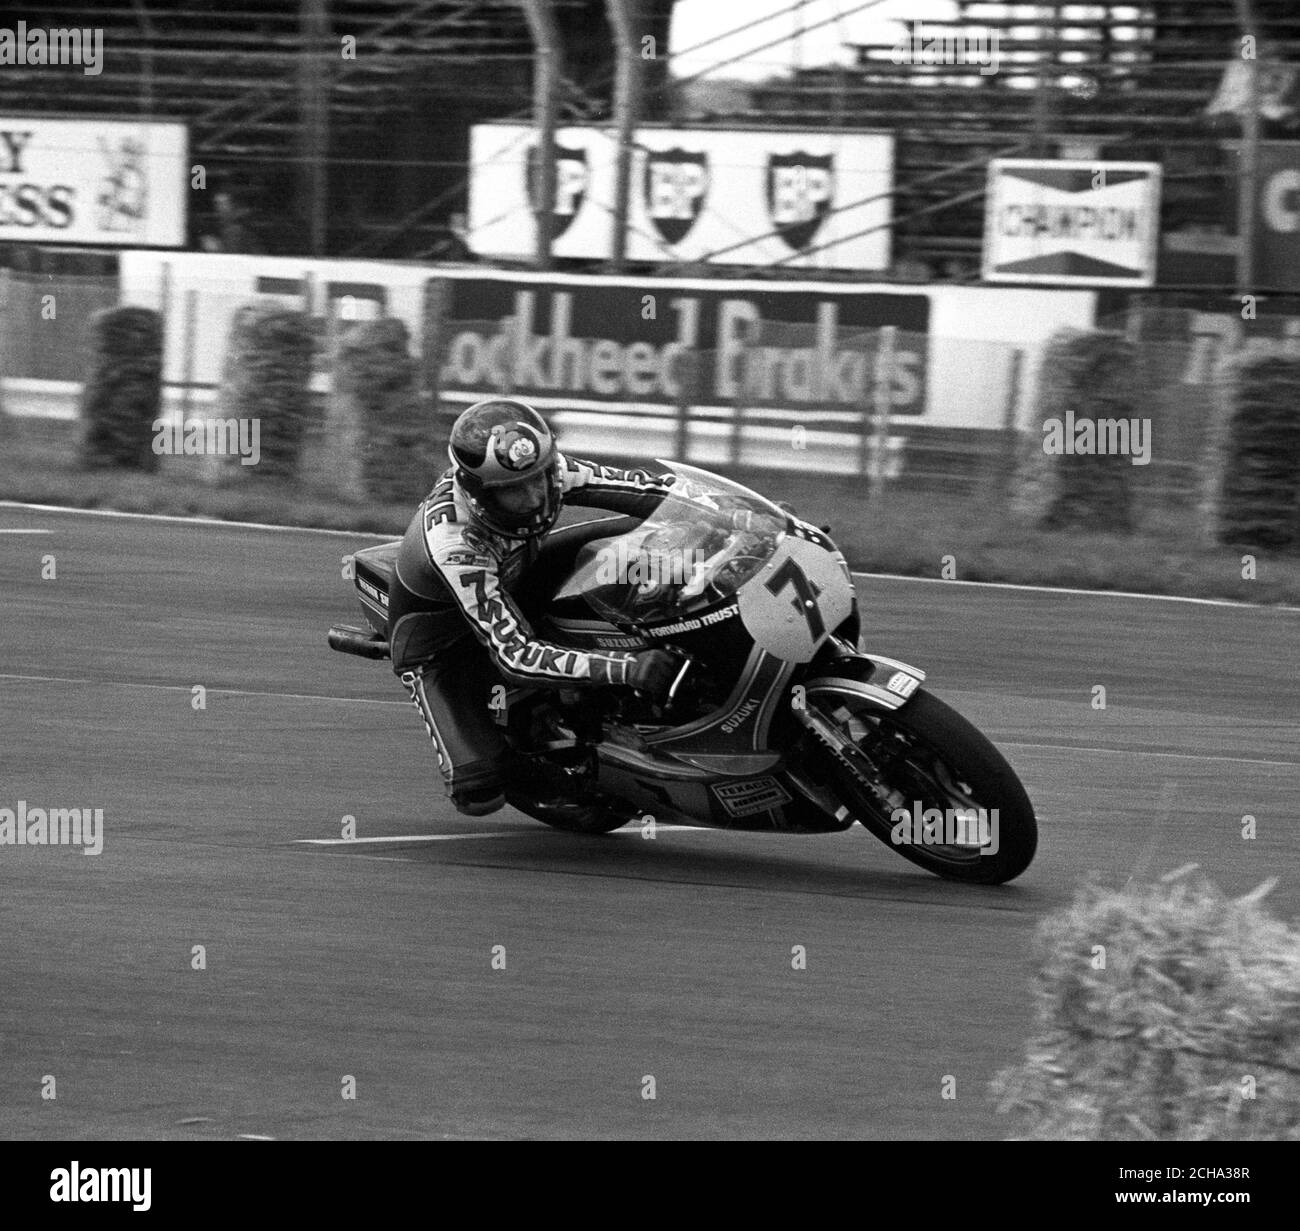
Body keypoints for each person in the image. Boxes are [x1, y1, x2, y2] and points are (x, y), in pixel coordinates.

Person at [389, 398, 687, 817]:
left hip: (519, 576)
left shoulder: (550, 471)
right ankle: (558, 773)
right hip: (445, 645)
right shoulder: (456, 542)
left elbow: (653, 491)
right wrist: (624, 667)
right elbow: (515, 656)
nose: (533, 498)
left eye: (539, 479)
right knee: (479, 792)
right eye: (514, 491)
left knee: (650, 535)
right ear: (480, 495)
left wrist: (753, 519)